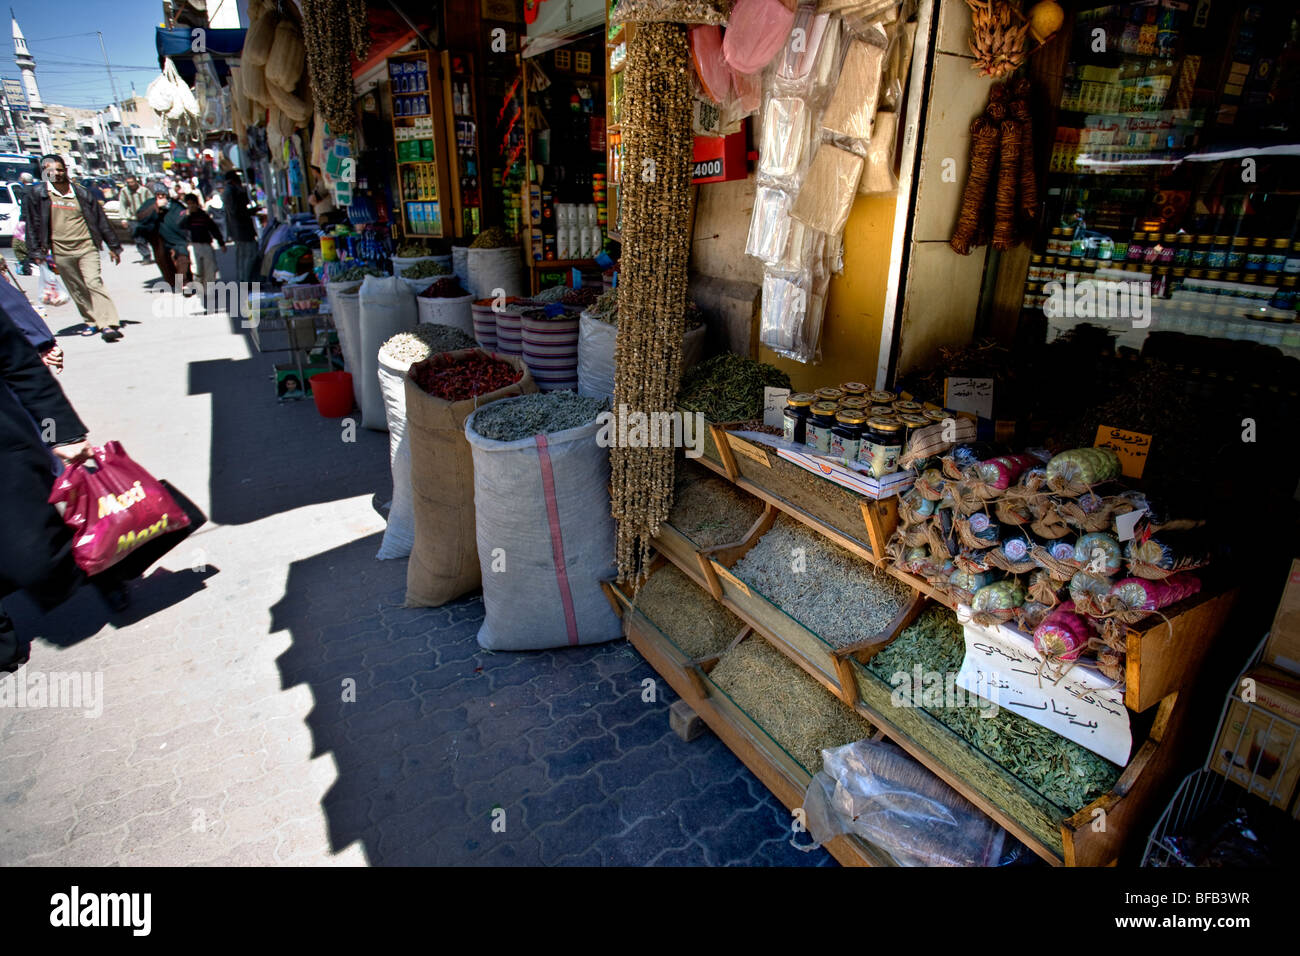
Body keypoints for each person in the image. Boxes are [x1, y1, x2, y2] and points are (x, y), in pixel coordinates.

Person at [0, 306, 94, 672]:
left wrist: (62, 432)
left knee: (36, 550)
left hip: (6, 453)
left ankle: (106, 567)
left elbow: (19, 364)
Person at [22, 154, 125, 343]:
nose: (57, 174)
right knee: (77, 288)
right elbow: (32, 224)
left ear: (66, 170)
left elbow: (100, 219)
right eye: (51, 170)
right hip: (60, 250)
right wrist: (36, 252)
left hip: (87, 247)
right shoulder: (38, 194)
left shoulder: (81, 193)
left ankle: (108, 323)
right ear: (44, 172)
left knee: (94, 282)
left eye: (60, 169)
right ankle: (91, 320)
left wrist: (113, 245)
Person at [222, 170, 259, 283]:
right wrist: (252, 211)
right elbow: (238, 211)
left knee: (242, 255)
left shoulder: (229, 191)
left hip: (237, 229)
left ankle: (243, 279)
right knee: (249, 254)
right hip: (242, 229)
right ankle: (246, 280)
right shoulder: (233, 191)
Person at [180, 193, 223, 290]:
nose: (191, 206)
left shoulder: (203, 215)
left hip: (206, 244)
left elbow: (213, 228)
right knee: (197, 269)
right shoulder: (186, 216)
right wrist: (187, 215)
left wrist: (221, 243)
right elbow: (180, 226)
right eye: (189, 204)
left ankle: (209, 289)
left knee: (210, 268)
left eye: (193, 203)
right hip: (193, 246)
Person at [117, 174, 154, 264]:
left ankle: (158, 254)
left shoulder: (144, 191)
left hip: (145, 218)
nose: (130, 184)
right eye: (128, 183)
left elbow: (152, 202)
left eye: (132, 182)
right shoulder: (124, 192)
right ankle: (146, 256)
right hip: (133, 218)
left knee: (151, 237)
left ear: (136, 181)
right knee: (138, 238)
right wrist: (123, 218)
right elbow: (122, 205)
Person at [13, 172, 36, 274]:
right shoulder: (35, 190)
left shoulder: (25, 191)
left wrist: (23, 219)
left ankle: (27, 263)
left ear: (24, 180)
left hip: (27, 220)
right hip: (35, 220)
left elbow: (25, 207)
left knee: (19, 242)